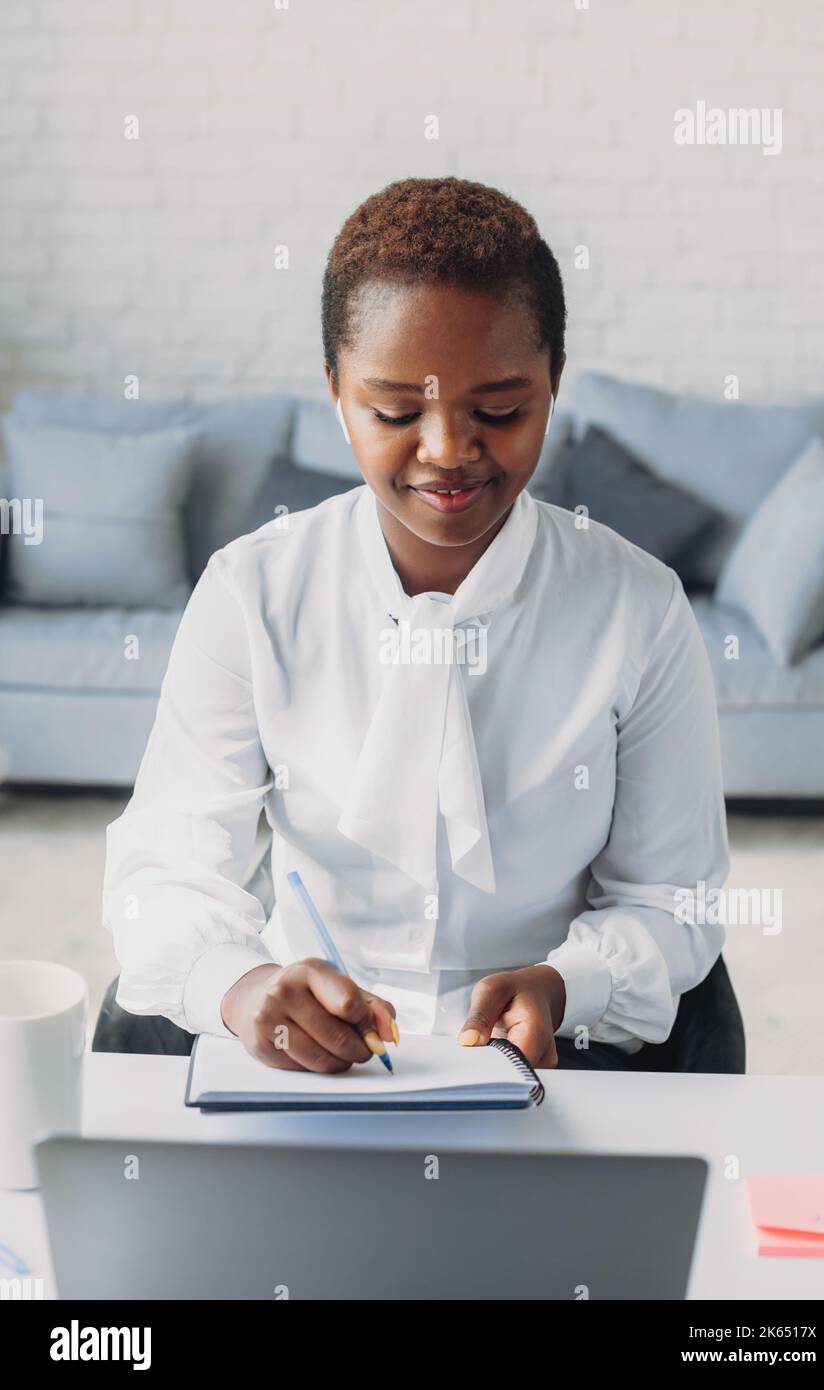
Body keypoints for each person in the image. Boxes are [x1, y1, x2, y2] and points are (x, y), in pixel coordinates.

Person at [101, 176, 738, 1074]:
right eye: (397, 412)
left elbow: (674, 899)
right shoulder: (252, 591)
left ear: (555, 378)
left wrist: (567, 985)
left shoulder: (639, 608)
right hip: (298, 1036)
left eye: (500, 410)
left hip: (557, 1041)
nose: (446, 450)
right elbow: (161, 868)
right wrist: (242, 987)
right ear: (335, 390)